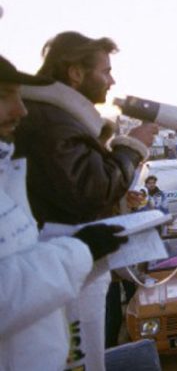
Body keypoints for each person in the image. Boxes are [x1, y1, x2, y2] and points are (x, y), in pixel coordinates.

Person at [13, 33, 157, 371]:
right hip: (69, 266)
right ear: (76, 72)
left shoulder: (57, 118)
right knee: (83, 358)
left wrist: (120, 196)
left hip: (68, 262)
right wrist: (130, 148)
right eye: (105, 70)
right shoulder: (53, 122)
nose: (111, 80)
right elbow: (88, 190)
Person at [0, 55, 126, 370]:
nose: (22, 110)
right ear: (75, 72)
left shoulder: (9, 173)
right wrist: (79, 250)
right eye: (3, 97)